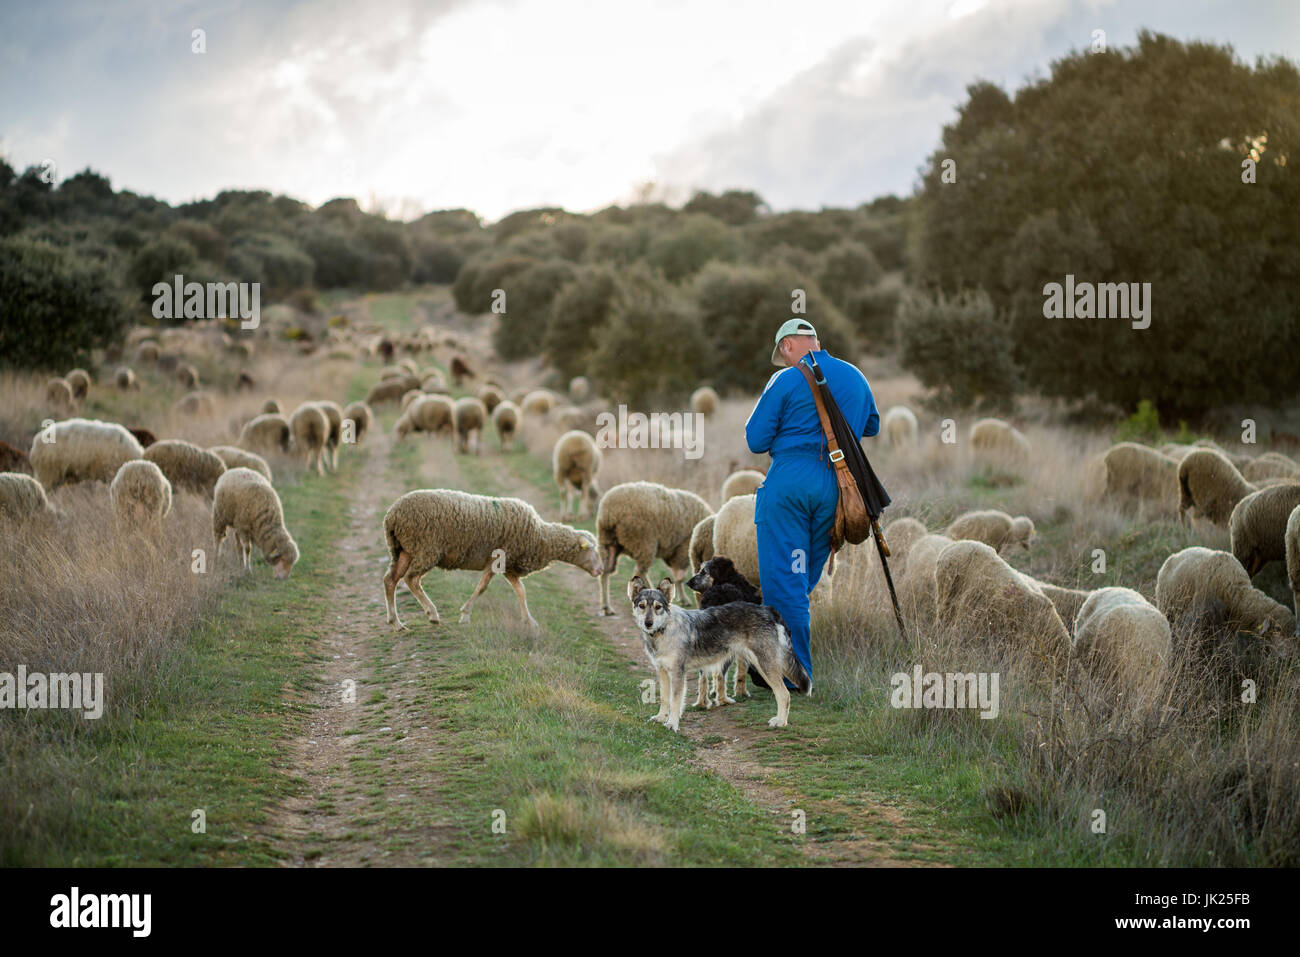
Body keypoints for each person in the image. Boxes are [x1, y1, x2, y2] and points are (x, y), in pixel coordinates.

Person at [744, 318, 879, 686]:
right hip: (835, 490)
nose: (784, 361)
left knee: (786, 582)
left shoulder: (785, 379)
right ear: (816, 341)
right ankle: (779, 660)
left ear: (788, 345)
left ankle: (791, 674)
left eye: (782, 354)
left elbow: (755, 439)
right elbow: (872, 426)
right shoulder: (856, 376)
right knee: (799, 579)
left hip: (790, 485)